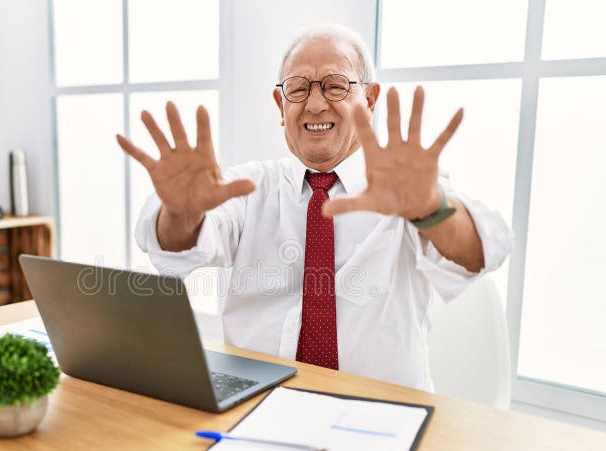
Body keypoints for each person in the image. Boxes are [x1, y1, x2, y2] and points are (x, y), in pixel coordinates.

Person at [116, 24, 513, 391]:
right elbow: (174, 246)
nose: (316, 104)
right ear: (280, 104)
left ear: (369, 99)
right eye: (299, 88)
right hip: (257, 404)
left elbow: (479, 252)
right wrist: (182, 211)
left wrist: (429, 208)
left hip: (380, 415)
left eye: (336, 86)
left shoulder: (405, 189)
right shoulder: (251, 187)